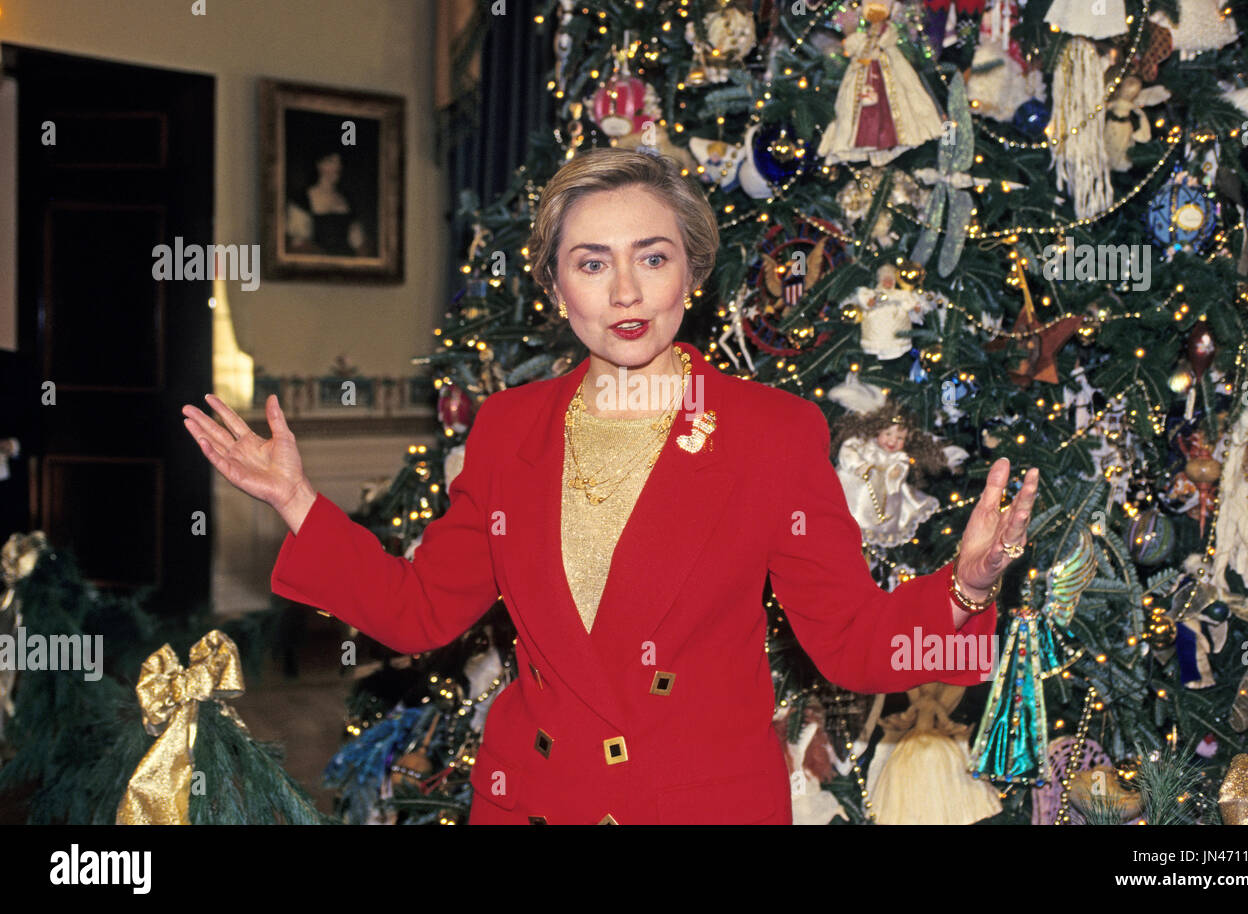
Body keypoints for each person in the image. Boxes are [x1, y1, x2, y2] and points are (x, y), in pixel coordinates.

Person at [182, 147, 1039, 825]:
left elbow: (851, 647)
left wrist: (964, 588)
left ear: (691, 275)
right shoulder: (509, 428)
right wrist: (297, 500)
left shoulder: (773, 434)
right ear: (556, 287)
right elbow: (420, 611)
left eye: (652, 258)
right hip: (535, 801)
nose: (626, 292)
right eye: (592, 264)